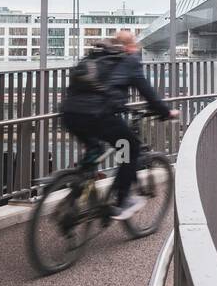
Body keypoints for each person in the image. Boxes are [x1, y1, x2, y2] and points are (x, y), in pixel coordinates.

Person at [60, 29, 177, 220]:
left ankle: (76, 191)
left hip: (70, 112)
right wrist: (165, 112)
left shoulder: (94, 57)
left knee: (95, 149)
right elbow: (147, 92)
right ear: (132, 46)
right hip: (98, 114)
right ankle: (122, 201)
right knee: (130, 147)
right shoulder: (129, 60)